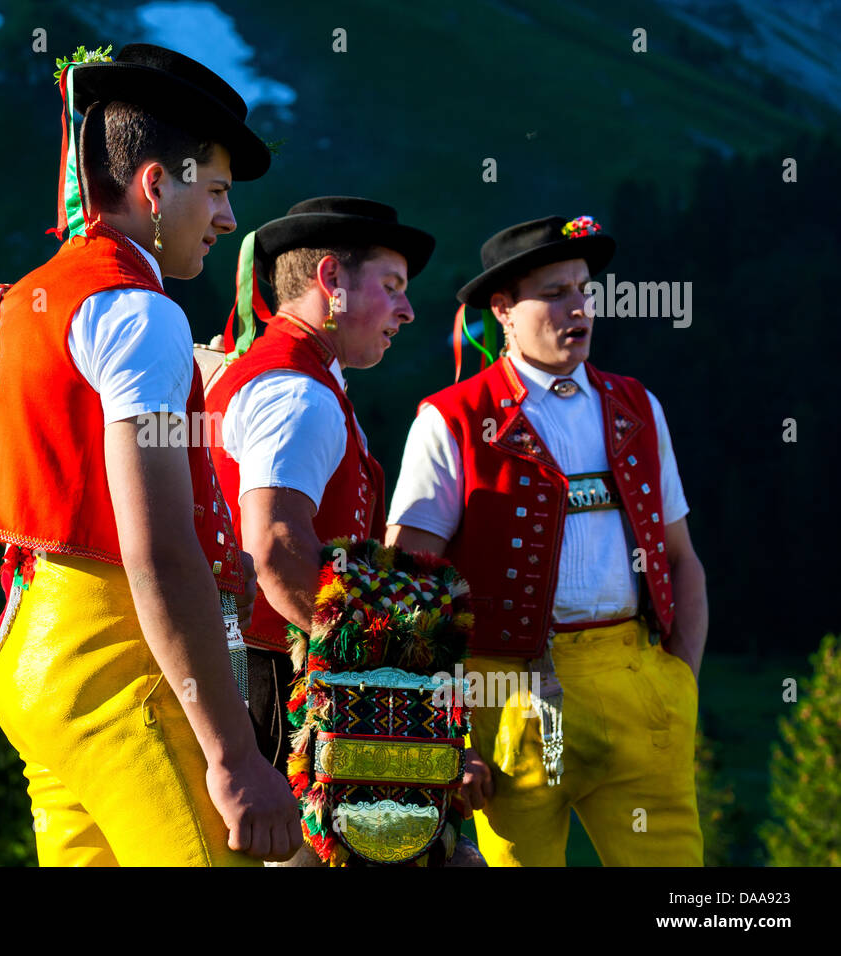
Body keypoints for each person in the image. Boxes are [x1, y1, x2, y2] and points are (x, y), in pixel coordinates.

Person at [0, 43, 302, 866]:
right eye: (216, 191)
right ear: (157, 185)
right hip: (117, 670)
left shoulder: (33, 296)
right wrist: (234, 759)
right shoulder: (139, 315)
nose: (228, 219)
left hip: (33, 661)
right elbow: (156, 550)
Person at [386, 215, 708, 866]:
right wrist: (448, 734)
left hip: (635, 678)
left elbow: (680, 560)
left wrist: (681, 686)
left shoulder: (637, 406)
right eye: (555, 292)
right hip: (503, 692)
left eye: (585, 289)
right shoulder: (450, 418)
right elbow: (408, 586)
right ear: (502, 308)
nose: (579, 307)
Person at [204, 197, 491, 825]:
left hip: (253, 667)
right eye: (391, 288)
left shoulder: (279, 374)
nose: (408, 311)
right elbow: (276, 550)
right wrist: (387, 686)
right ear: (330, 280)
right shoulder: (298, 391)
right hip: (273, 680)